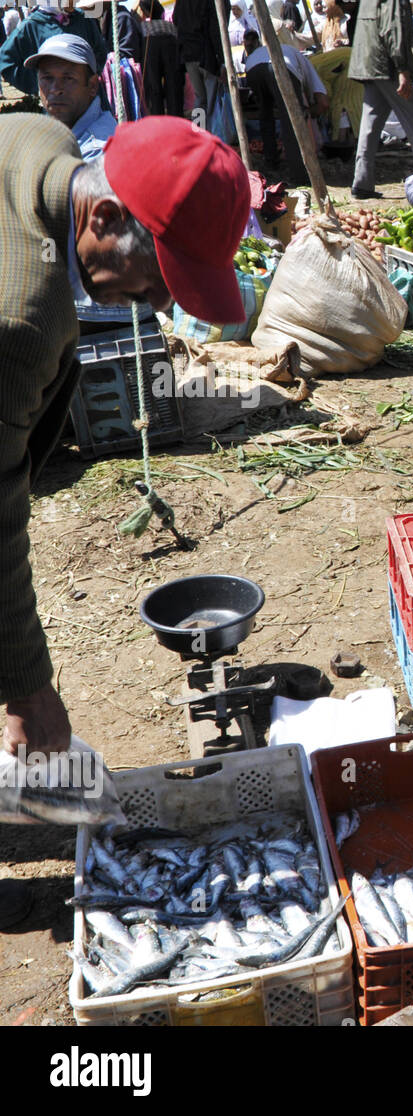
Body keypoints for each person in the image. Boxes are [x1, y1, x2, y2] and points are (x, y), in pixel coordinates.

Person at [0, 114, 249, 929]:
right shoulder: (23, 318)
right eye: (157, 280)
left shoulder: (34, 136)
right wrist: (29, 691)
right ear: (101, 218)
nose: (157, 304)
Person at [348, 0, 413, 199]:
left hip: (369, 63)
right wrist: (402, 69)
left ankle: (362, 183)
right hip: (386, 65)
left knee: (370, 123)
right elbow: (392, 29)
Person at [245, 31, 331, 184]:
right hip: (281, 66)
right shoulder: (306, 64)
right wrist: (308, 111)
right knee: (291, 119)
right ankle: (299, 174)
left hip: (252, 68)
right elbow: (323, 103)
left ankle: (270, 160)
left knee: (266, 113)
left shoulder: (287, 52)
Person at [27, 32, 113, 158]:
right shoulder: (60, 130)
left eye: (68, 78)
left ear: (93, 86)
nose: (55, 89)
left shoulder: (96, 152)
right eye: (47, 78)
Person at [0, 1, 107, 96]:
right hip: (55, 101)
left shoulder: (83, 19)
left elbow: (100, 51)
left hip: (88, 99)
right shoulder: (32, 25)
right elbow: (5, 61)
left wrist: (87, 77)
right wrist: (38, 83)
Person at [174, 0, 224, 130]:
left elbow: (176, 22)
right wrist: (221, 57)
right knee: (211, 99)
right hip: (206, 54)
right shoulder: (207, 2)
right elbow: (214, 29)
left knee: (200, 98)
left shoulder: (180, 3)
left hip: (189, 55)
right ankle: (213, 135)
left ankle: (198, 134)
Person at [136, 0, 185, 117]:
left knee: (154, 88)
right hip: (171, 46)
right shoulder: (170, 26)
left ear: (146, 12)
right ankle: (176, 118)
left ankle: (157, 119)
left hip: (151, 46)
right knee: (173, 86)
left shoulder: (143, 27)